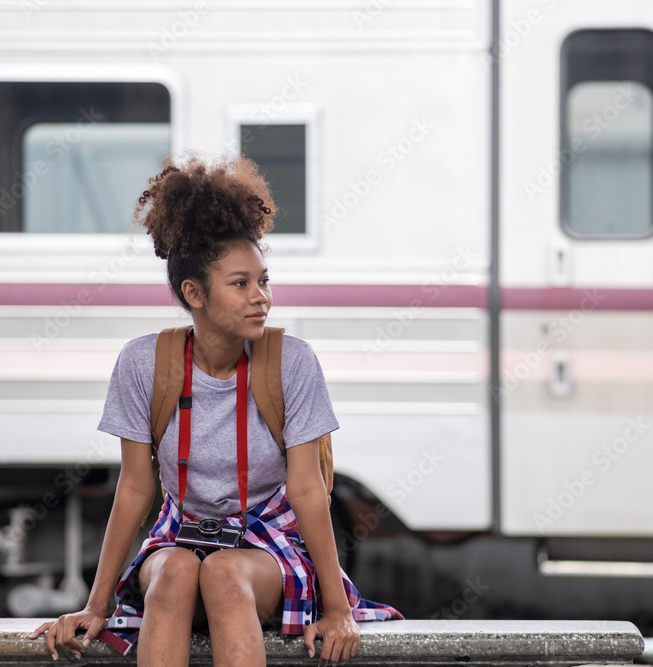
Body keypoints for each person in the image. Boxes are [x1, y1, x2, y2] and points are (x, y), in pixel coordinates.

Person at [31, 154, 402, 666]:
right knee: (179, 570)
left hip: (268, 542)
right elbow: (137, 487)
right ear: (194, 294)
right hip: (179, 533)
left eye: (263, 280)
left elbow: (307, 487)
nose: (262, 298)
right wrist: (95, 606)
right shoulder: (144, 363)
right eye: (240, 283)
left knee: (225, 572)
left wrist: (337, 610)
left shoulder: (291, 363)